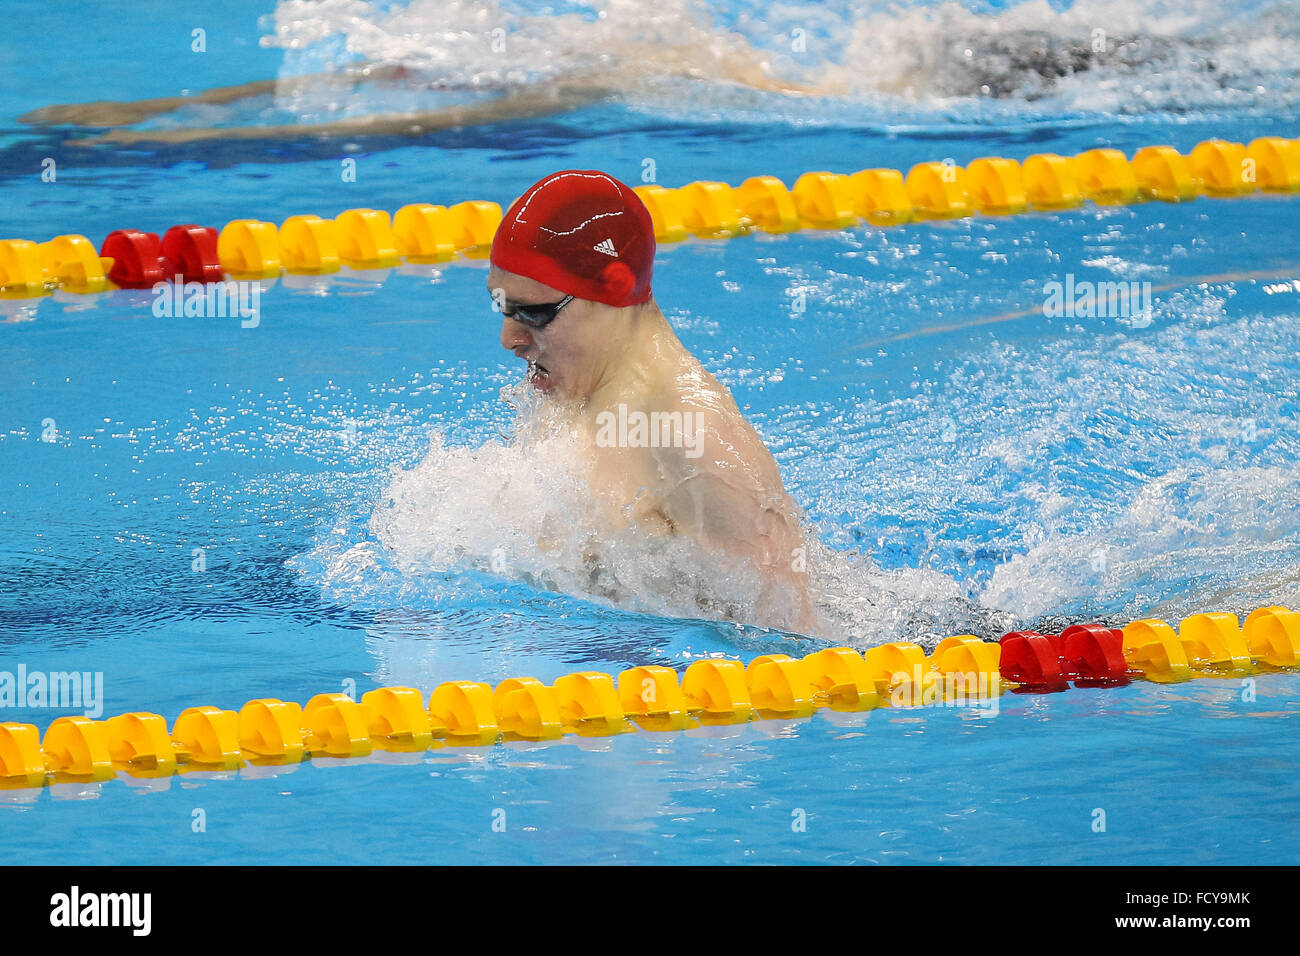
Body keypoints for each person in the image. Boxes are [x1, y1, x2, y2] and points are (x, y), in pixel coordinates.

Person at [489, 169, 817, 633]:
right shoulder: (575, 388)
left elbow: (794, 640)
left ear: (616, 287)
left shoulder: (691, 435)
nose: (509, 338)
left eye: (534, 313)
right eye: (502, 307)